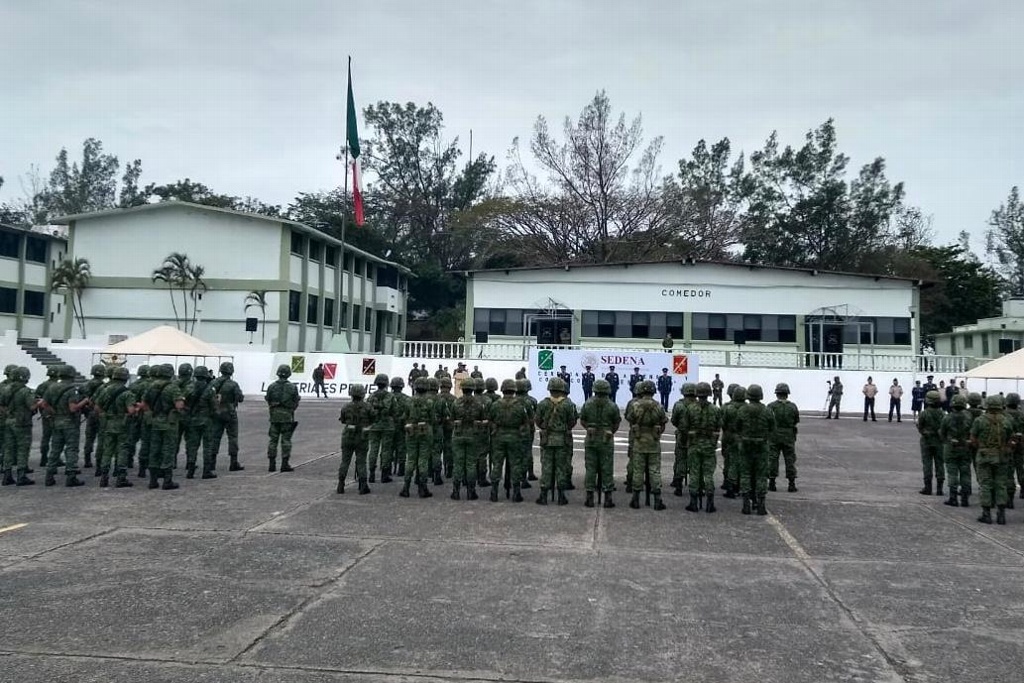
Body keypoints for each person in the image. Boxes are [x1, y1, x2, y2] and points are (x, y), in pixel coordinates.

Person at [42, 365, 89, 488]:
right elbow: (73, 408)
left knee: (55, 449)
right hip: (70, 424)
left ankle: (49, 476)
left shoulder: (51, 387)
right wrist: (84, 401)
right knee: (71, 449)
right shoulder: (72, 390)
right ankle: (71, 476)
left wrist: (54, 412)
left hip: (57, 422)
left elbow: (43, 404)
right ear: (71, 375)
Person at [971, 394, 1014, 525]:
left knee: (986, 484)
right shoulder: (1006, 421)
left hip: (984, 457)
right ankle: (1001, 515)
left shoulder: (979, 420)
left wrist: (982, 447)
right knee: (1001, 484)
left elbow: (973, 439)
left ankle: (987, 514)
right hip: (1001, 457)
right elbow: (1011, 439)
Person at [535, 377, 578, 505]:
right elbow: (572, 422)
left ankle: (543, 495)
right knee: (561, 467)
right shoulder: (569, 404)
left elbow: (537, 421)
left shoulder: (543, 404)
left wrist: (545, 427)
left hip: (547, 440)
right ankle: (561, 495)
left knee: (546, 467)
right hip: (562, 440)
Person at [626, 381, 667, 510]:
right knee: (654, 471)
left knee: (638, 470)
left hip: (639, 442)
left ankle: (636, 499)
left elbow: (630, 420)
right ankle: (657, 500)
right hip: (654, 443)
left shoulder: (635, 405)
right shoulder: (658, 406)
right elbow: (663, 424)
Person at [579, 378, 620, 508]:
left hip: (591, 439)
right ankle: (608, 498)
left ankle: (589, 497)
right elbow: (616, 422)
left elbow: (583, 420)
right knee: (607, 468)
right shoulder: (612, 405)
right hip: (606, 440)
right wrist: (610, 432)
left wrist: (589, 429)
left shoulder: (588, 403)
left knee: (591, 468)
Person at [681, 382, 722, 513]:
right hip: (709, 446)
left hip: (694, 444)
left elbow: (684, 427)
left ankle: (693, 502)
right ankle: (710, 502)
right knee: (708, 474)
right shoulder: (715, 410)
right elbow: (718, 427)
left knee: (694, 473)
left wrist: (686, 440)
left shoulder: (690, 408)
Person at [736, 384, 776, 515]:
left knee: (746, 473)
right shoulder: (767, 410)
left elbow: (737, 426)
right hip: (762, 446)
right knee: (761, 475)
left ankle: (746, 503)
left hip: (746, 445)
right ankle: (761, 504)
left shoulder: (742, 410)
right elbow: (772, 428)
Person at [144, 364, 185, 491]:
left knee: (154, 450)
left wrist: (152, 414)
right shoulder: (173, 388)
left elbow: (145, 404)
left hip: (155, 422)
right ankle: (167, 480)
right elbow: (179, 405)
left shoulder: (150, 386)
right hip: (169, 424)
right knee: (168, 450)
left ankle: (153, 480)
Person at [488, 379, 530, 502]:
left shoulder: (496, 404)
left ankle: (494, 492)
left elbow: (490, 420)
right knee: (515, 464)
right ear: (513, 390)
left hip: (499, 437)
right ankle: (516, 493)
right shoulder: (520, 405)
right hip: (514, 437)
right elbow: (525, 422)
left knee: (497, 465)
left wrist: (495, 429)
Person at [1, 367, 37, 486]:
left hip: (9, 421)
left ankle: (7, 475)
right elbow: (32, 407)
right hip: (22, 423)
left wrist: (9, 414)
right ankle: (21, 475)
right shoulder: (25, 391)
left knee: (8, 449)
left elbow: (2, 405)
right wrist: (39, 403)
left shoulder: (6, 389)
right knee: (22, 449)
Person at [450, 377, 484, 500]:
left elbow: (451, 419)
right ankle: (471, 492)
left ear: (462, 388)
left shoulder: (456, 402)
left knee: (458, 464)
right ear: (473, 388)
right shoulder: (478, 404)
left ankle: (456, 491)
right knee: (471, 464)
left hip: (458, 435)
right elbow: (481, 419)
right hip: (473, 436)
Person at [401, 378, 435, 498]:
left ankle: (406, 487)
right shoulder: (430, 402)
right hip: (425, 431)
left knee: (410, 459)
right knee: (423, 460)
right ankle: (422, 488)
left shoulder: (408, 401)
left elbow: (404, 416)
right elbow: (432, 418)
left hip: (411, 431)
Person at [337, 384, 374, 494]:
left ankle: (340, 484)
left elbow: (342, 420)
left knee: (345, 461)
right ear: (363, 394)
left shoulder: (345, 406)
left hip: (348, 436)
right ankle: (363, 485)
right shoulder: (368, 407)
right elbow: (373, 418)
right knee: (361, 461)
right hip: (362, 436)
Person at [210, 362, 245, 472]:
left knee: (215, 437)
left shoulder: (213, 383)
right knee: (233, 437)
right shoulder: (233, 384)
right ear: (231, 371)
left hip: (217, 412)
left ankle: (211, 463)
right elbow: (240, 398)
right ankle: (233, 462)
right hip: (229, 413)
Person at [265, 364, 300, 473]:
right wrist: (290, 409)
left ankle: (272, 463)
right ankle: (284, 463)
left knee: (273, 440)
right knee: (286, 440)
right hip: (287, 416)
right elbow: (296, 401)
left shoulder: (272, 386)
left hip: (274, 416)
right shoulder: (292, 387)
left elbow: (268, 399)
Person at [940, 394, 974, 508]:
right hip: (965, 449)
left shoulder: (947, 417)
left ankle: (953, 497)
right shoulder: (969, 418)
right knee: (965, 473)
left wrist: (948, 441)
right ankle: (965, 499)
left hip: (951, 449)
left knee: (952, 473)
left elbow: (942, 433)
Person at [768, 383, 800, 493]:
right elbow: (796, 420)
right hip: (788, 436)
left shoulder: (771, 406)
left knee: (772, 458)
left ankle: (772, 482)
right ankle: (791, 483)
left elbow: (768, 421)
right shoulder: (793, 406)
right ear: (787, 393)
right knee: (790, 459)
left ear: (777, 394)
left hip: (774, 435)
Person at [366, 374, 395, 483]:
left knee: (373, 449)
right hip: (387, 426)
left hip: (374, 426)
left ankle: (372, 473)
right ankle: (384, 474)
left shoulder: (371, 396)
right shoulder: (390, 396)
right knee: (386, 450)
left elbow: (367, 411)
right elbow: (395, 411)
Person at [670, 383, 696, 497]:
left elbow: (674, 420)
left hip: (682, 435)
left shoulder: (679, 405)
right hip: (695, 437)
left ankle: (678, 482)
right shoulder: (698, 405)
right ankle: (698, 485)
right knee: (696, 462)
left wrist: (681, 427)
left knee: (680, 459)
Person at [917, 391, 945, 496]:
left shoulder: (924, 413)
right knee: (940, 464)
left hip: (927, 441)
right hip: (939, 442)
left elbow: (920, 427)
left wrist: (925, 432)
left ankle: (928, 487)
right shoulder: (942, 413)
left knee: (927, 464)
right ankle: (939, 488)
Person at [81, 364, 107, 470]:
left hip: (90, 414)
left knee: (89, 438)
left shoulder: (84, 386)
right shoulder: (105, 386)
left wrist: (86, 411)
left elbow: (81, 400)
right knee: (101, 438)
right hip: (100, 413)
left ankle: (87, 460)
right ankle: (99, 461)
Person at [34, 365, 60, 469]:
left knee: (46, 436)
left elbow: (37, 400)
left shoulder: (41, 385)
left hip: (45, 414)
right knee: (56, 438)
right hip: (56, 414)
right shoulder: (58, 387)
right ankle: (55, 458)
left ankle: (43, 457)